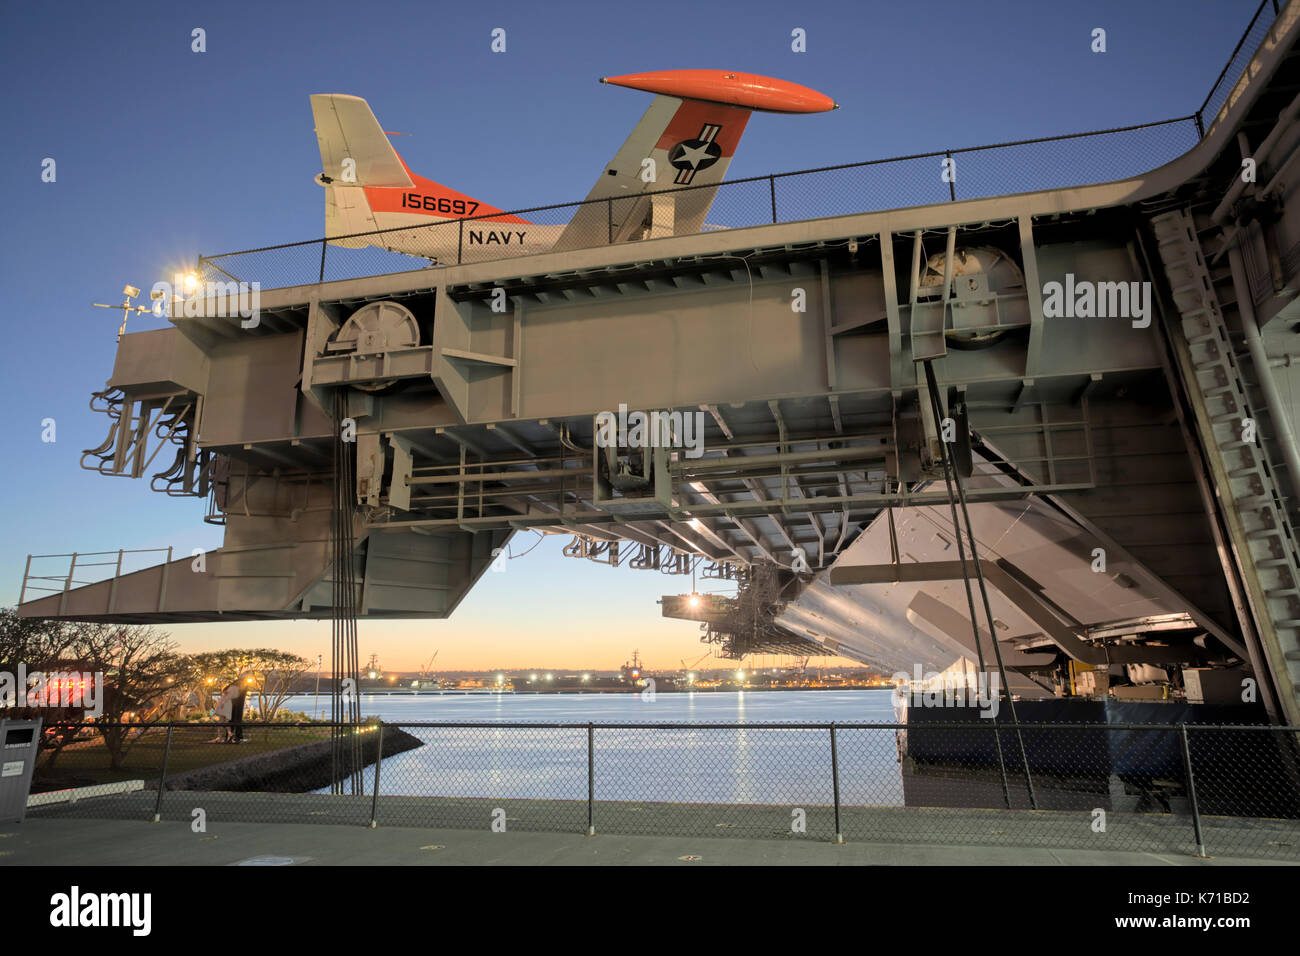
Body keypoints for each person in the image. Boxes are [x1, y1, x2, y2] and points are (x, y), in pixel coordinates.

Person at [229, 678, 247, 743]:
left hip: (235, 706)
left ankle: (234, 735)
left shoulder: (241, 689)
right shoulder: (241, 689)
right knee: (236, 720)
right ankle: (235, 735)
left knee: (234, 720)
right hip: (236, 706)